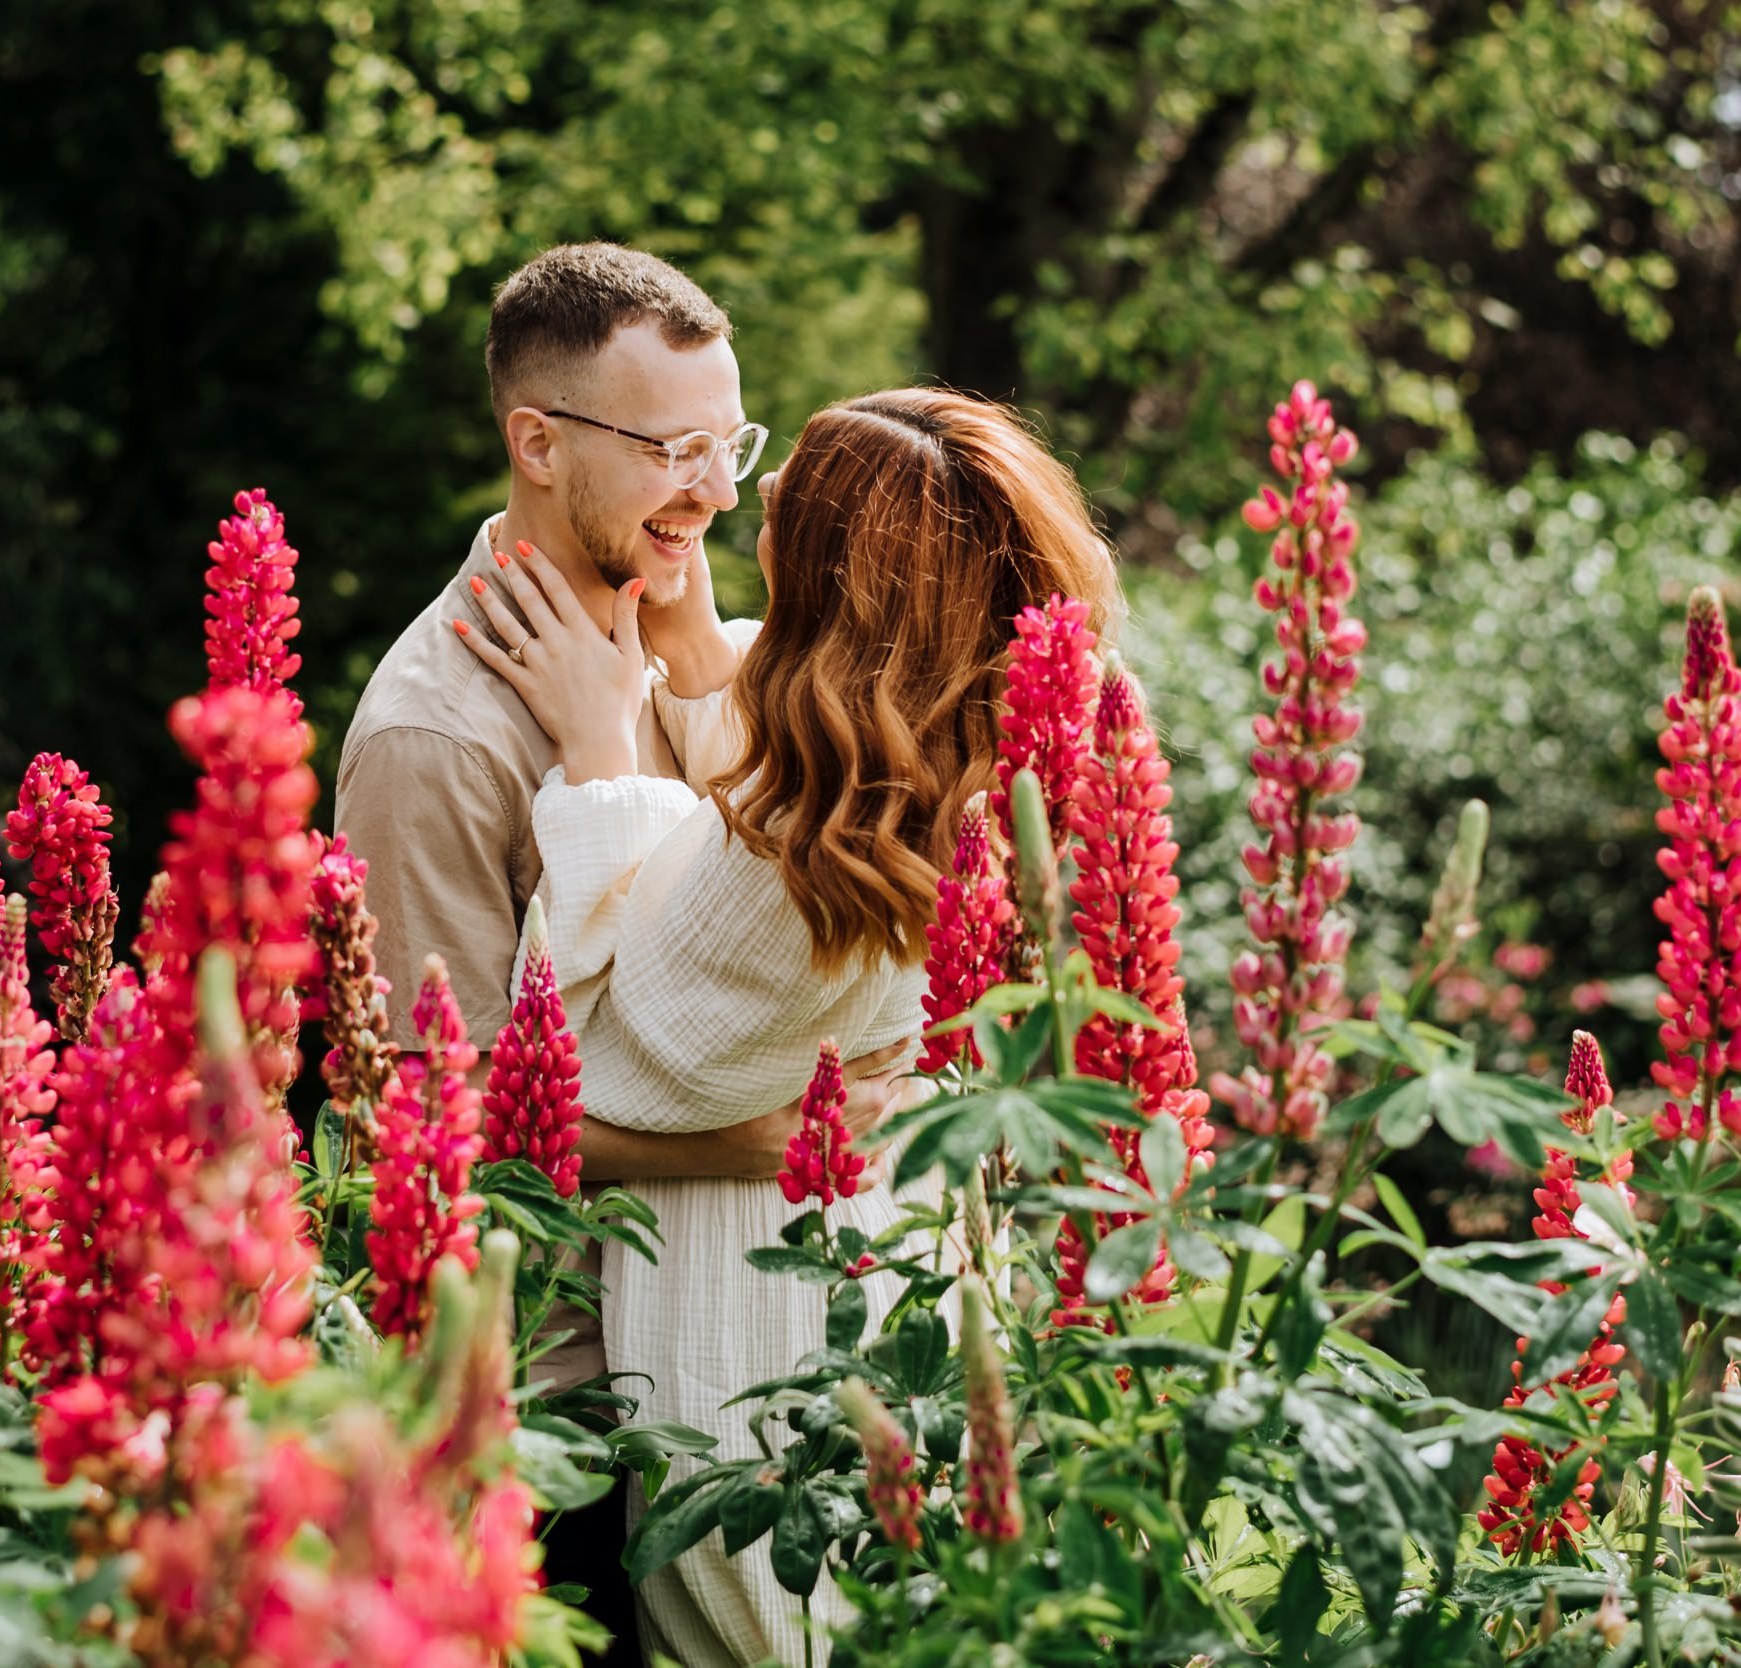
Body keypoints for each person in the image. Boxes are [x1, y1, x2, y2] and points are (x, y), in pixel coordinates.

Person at [453, 387, 1123, 1667]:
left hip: (764, 1326)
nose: (743, 498)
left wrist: (602, 760)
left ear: (826, 577)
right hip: (886, 1270)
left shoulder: (801, 854)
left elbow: (620, 1050)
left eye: (783, 500)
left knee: (773, 1631)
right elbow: (787, 751)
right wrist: (713, 668)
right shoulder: (944, 756)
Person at [331, 243, 916, 1654]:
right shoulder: (437, 736)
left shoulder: (685, 646)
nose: (714, 493)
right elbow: (429, 1118)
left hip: (733, 1379)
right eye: (674, 450)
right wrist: (793, 1139)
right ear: (536, 442)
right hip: (559, 1421)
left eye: (730, 445)